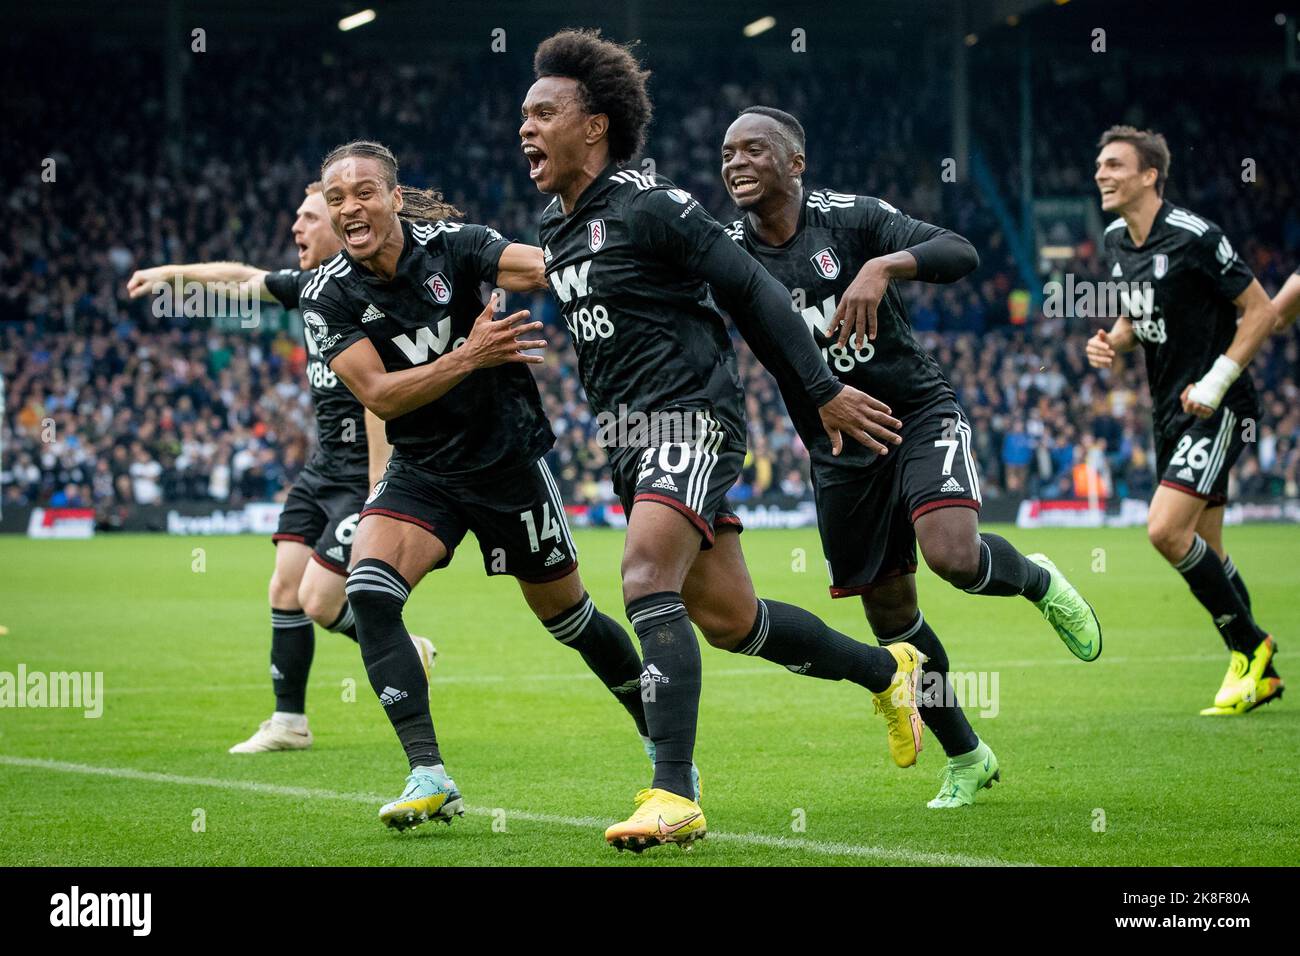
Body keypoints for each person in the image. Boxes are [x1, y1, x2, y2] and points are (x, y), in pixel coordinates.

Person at [522, 29, 924, 852]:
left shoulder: (653, 205)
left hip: (691, 419)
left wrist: (820, 394)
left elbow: (751, 288)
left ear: (593, 126)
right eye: (522, 115)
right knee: (730, 619)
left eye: (542, 113)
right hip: (629, 438)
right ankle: (891, 674)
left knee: (642, 578)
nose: (524, 128)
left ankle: (674, 794)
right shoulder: (558, 227)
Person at [719, 106, 1102, 809]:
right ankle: (968, 756)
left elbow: (961, 252)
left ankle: (1036, 580)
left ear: (795, 163)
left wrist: (885, 266)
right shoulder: (724, 249)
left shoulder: (851, 216)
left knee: (954, 556)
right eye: (727, 153)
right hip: (839, 449)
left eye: (753, 150)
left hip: (915, 414)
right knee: (893, 620)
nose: (736, 163)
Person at [307, 140, 664, 831]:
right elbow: (379, 395)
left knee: (572, 621)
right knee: (370, 593)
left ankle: (663, 746)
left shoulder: (455, 247)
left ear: (394, 197)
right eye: (336, 197)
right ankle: (429, 773)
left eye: (363, 192)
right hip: (423, 470)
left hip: (507, 463)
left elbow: (540, 267)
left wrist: (622, 242)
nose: (349, 207)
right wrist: (470, 356)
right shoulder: (330, 296)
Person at [126, 183, 435, 753]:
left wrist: (377, 491)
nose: (296, 226)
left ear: (338, 227)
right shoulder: (311, 287)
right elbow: (240, 280)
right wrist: (172, 272)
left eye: (308, 216)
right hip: (320, 471)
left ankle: (403, 647)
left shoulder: (362, 291)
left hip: (358, 478)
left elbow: (379, 403)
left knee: (319, 600)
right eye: (296, 215)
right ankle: (289, 722)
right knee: (284, 587)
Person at [1086, 125, 1282, 715]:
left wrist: (1218, 380)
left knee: (1166, 531)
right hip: (1168, 409)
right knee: (1209, 548)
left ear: (1149, 176)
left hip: (1218, 405)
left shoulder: (1196, 236)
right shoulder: (1118, 238)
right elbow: (1138, 314)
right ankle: (1257, 673)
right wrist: (1113, 341)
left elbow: (1263, 310)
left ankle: (1253, 646)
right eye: (1099, 165)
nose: (1102, 173)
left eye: (1115, 164)